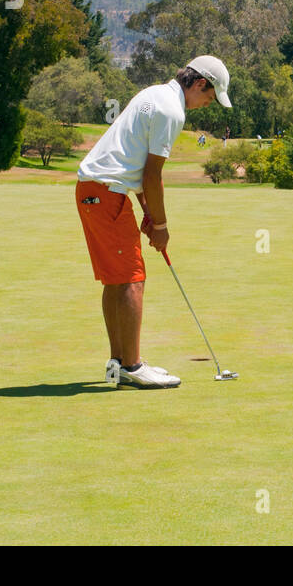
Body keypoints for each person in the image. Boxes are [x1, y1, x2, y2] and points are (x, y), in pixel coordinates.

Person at [75, 55, 233, 388]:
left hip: (95, 191)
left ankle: (118, 363)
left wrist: (147, 211)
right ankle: (132, 367)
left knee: (117, 280)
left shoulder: (155, 94)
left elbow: (132, 163)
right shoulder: (171, 110)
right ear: (201, 83)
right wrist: (160, 227)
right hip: (106, 194)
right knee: (133, 277)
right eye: (210, 97)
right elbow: (152, 174)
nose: (207, 105)